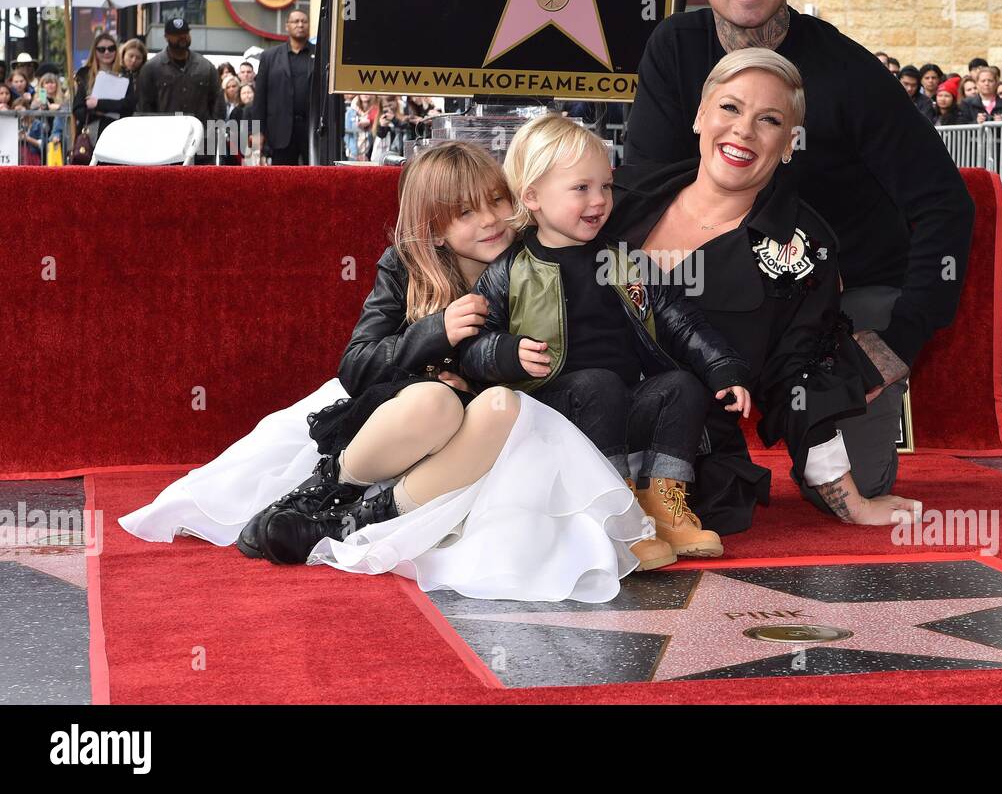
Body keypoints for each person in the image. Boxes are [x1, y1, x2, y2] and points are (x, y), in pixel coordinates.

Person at [121, 141, 654, 598]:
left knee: (504, 406)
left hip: (484, 439)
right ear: (435, 229)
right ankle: (324, 494)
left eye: (497, 201)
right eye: (466, 212)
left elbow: (559, 358)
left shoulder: (533, 260)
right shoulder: (405, 265)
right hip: (398, 420)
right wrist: (434, 333)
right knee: (435, 400)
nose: (490, 219)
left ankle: (368, 518)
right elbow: (356, 367)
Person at [623, 0, 974, 493]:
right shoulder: (674, 48)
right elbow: (646, 189)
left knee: (854, 488)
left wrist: (902, 335)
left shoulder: (848, 70)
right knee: (679, 483)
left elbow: (945, 202)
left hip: (839, 299)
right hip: (723, 286)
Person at [609, 49, 921, 531]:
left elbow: (800, 374)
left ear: (790, 142)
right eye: (730, 108)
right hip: (580, 414)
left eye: (769, 119)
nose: (743, 130)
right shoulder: (616, 196)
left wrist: (850, 501)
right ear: (699, 115)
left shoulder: (804, 248)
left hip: (685, 461)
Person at [460, 114, 753, 560]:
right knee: (597, 383)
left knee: (680, 386)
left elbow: (678, 317)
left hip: (622, 408)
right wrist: (505, 352)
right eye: (581, 188)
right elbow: (470, 346)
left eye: (606, 186)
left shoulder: (623, 259)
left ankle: (663, 502)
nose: (599, 200)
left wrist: (721, 366)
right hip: (551, 414)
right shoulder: (510, 269)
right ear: (533, 196)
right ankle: (612, 512)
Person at [136, 17, 223, 161]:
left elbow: (217, 102)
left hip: (201, 141)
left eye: (185, 33)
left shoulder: (205, 66)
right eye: (177, 34)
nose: (182, 37)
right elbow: (144, 107)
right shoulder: (152, 68)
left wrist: (211, 133)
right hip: (165, 142)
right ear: (166, 37)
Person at [249, 9, 313, 166]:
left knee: (315, 181)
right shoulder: (270, 57)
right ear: (287, 26)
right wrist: (257, 131)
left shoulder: (320, 55)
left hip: (311, 131)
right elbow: (260, 99)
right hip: (280, 131)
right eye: (296, 21)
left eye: (304, 21)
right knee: (281, 182)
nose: (300, 25)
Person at [73, 31, 137, 150]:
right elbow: (78, 109)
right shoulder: (84, 74)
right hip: (91, 133)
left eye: (111, 48)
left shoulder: (125, 74)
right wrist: (96, 112)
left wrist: (98, 104)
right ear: (95, 51)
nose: (107, 52)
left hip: (118, 132)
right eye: (102, 49)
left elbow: (129, 105)